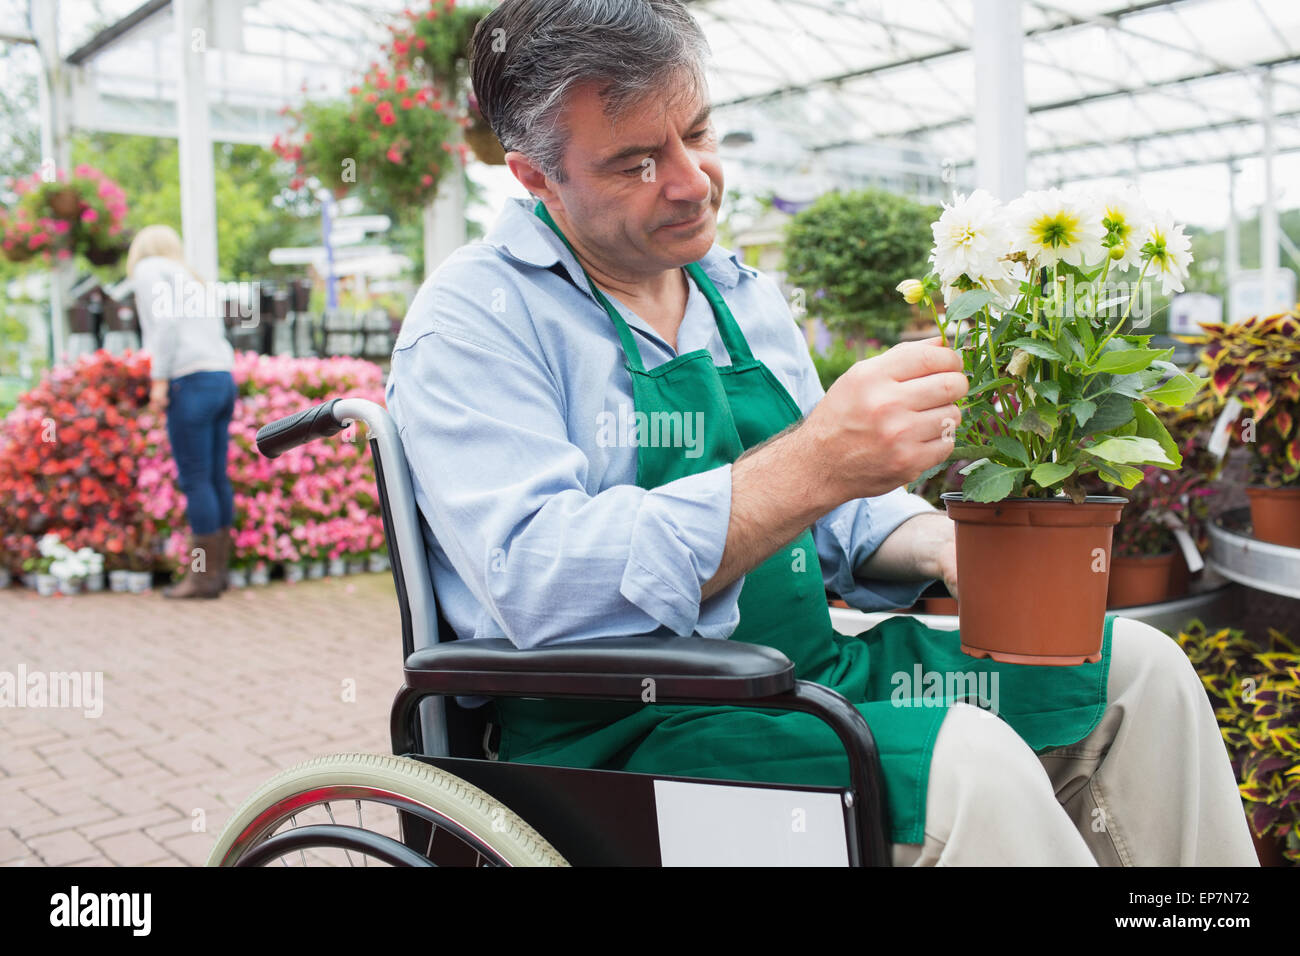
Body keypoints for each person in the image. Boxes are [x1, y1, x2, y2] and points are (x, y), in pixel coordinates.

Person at [385, 0, 1257, 866]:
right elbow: (539, 581)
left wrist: (949, 545)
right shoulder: (476, 321)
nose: (691, 181)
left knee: (1139, 672)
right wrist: (813, 462)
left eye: (697, 131)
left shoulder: (740, 295)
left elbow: (838, 523)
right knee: (970, 763)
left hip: (801, 682)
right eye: (637, 163)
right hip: (623, 740)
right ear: (536, 177)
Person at [128, 224, 236, 599]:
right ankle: (218, 574)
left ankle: (203, 578)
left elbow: (165, 325)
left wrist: (158, 379)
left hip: (189, 381)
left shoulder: (148, 272)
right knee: (216, 477)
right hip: (221, 377)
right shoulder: (191, 277)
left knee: (195, 478)